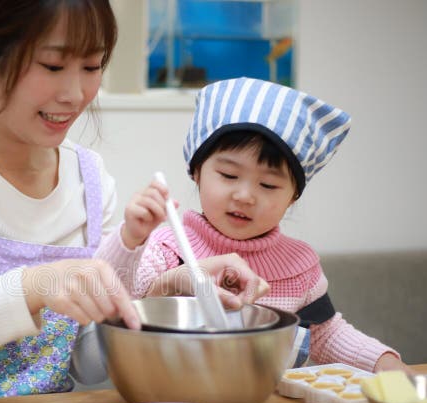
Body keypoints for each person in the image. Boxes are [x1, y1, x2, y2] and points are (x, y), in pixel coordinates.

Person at [0, 1, 266, 403]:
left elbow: (87, 361)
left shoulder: (90, 177)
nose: (75, 94)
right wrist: (34, 286)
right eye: (52, 66)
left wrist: (171, 290)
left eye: (92, 66)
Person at [132, 77, 409, 373]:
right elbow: (131, 303)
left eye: (268, 184)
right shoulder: (165, 247)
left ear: (293, 197)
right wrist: (174, 279)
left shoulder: (299, 266)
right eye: (228, 175)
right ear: (196, 172)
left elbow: (326, 335)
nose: (245, 196)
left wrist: (386, 362)